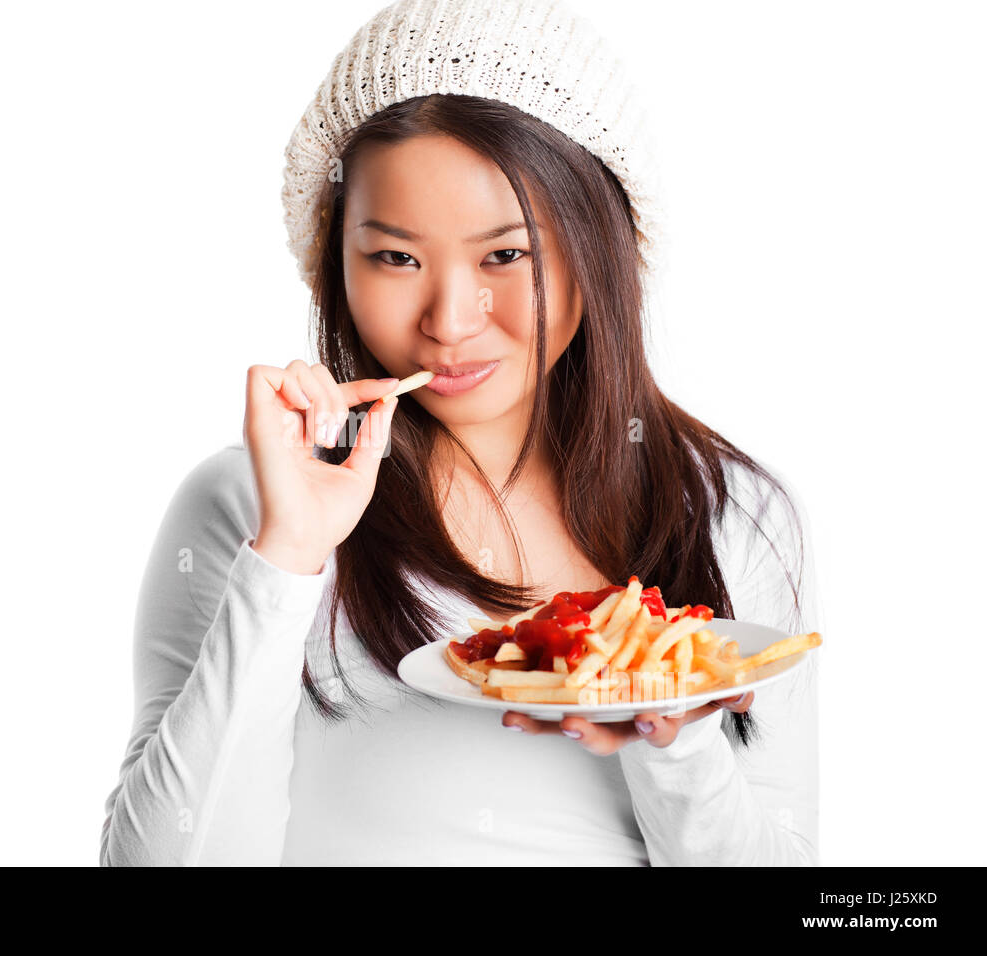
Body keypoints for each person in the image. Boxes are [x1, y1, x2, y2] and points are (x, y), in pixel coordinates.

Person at [99, 0, 822, 866]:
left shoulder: (733, 513)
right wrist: (287, 556)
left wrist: (677, 739)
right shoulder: (249, 506)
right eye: (395, 258)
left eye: (505, 256)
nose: (449, 321)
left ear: (602, 246)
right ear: (336, 259)